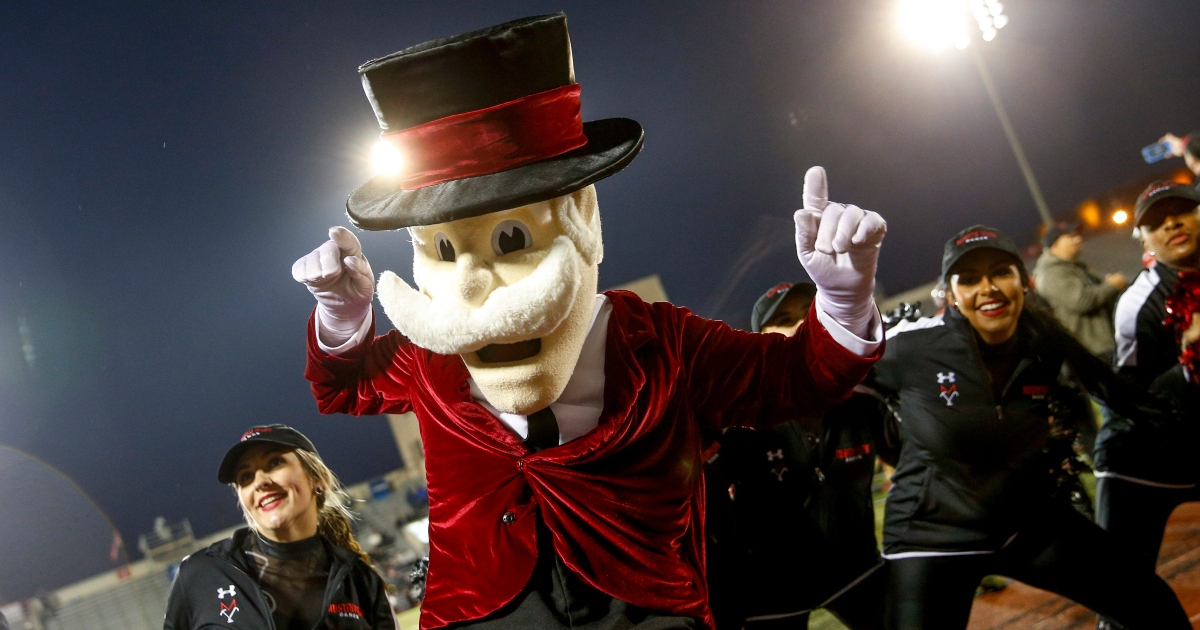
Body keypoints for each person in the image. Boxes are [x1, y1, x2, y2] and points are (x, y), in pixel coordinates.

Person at [292, 14, 886, 630]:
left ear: (579, 215)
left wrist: (843, 302)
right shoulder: (429, 353)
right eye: (443, 249)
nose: (472, 282)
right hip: (479, 611)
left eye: (510, 237)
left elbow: (795, 379)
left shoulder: (659, 341)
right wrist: (341, 311)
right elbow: (340, 386)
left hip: (641, 608)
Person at [871, 225, 1188, 630]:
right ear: (950, 294)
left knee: (1150, 602)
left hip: (1026, 519)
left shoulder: (1042, 335)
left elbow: (1115, 391)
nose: (987, 288)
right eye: (969, 279)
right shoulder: (910, 345)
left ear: (1024, 281)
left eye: (1001, 272)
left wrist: (1180, 415)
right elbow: (836, 387)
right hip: (933, 534)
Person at [704, 282, 894, 630]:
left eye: (810, 313)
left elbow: (907, 456)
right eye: (783, 319)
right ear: (761, 339)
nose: (800, 326)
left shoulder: (866, 394)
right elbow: (703, 500)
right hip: (771, 588)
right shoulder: (737, 416)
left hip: (857, 569)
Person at [1093, 181, 1200, 630]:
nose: (1170, 223)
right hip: (1141, 457)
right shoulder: (1137, 303)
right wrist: (1190, 367)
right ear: (1145, 240)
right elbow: (1131, 400)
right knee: (1123, 594)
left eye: (1181, 211)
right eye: (1155, 222)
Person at [164, 424, 396, 629]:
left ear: (316, 479)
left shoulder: (361, 581)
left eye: (275, 463)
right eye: (246, 477)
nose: (260, 482)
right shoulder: (201, 575)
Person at [1032, 222, 1126, 360]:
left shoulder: (1074, 266)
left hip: (1105, 342)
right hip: (1092, 349)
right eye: (1070, 237)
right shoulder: (1052, 272)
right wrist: (1112, 285)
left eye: (1076, 236)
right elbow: (1082, 301)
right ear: (1055, 245)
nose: (1078, 239)